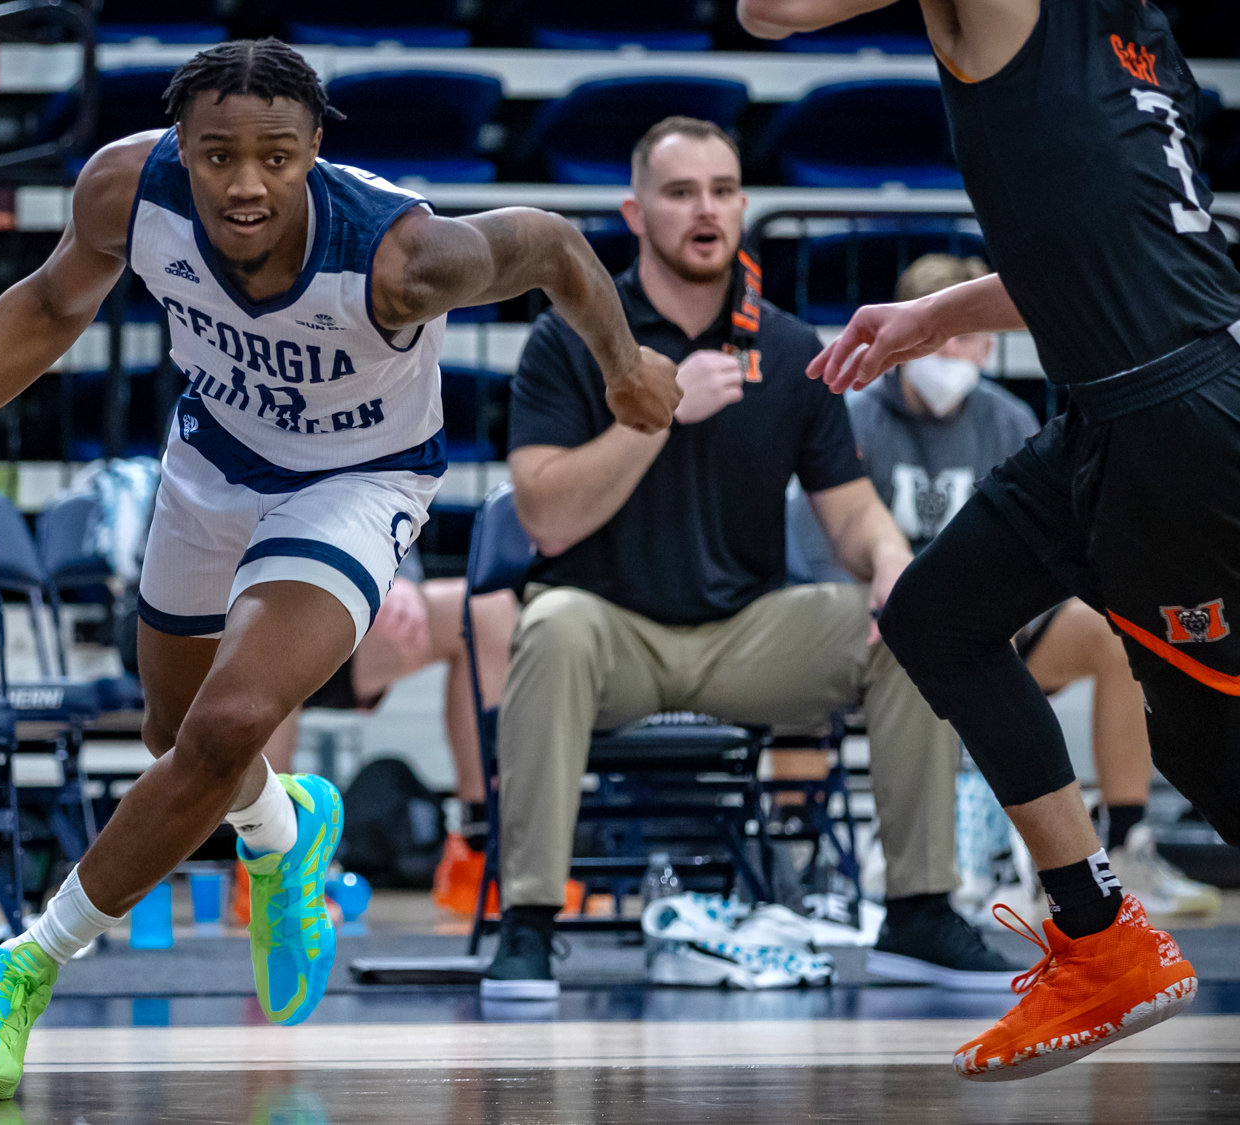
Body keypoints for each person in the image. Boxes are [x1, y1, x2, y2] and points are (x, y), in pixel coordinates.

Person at [0, 38, 679, 1100]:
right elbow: (51, 305)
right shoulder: (125, 184)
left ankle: (22, 968)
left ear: (312, 152)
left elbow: (554, 245)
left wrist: (622, 369)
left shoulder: (400, 255)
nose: (245, 183)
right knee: (173, 737)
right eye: (216, 156)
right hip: (211, 462)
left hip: (358, 479)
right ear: (180, 149)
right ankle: (284, 830)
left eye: (275, 157)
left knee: (223, 724)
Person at [743, 0, 1219, 1080]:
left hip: (1178, 414)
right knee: (934, 615)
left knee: (1211, 754)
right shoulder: (1136, 33)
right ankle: (1097, 939)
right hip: (1122, 405)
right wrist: (934, 316)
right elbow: (1107, 253)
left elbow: (765, 9)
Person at [484, 116, 1020, 1001]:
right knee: (550, 623)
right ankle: (530, 924)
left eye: (724, 190)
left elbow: (850, 514)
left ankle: (920, 909)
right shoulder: (573, 337)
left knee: (916, 618)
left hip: (747, 634)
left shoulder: (784, 346)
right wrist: (655, 410)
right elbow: (542, 517)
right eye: (681, 191)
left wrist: (891, 561)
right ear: (635, 210)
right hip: (609, 633)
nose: (707, 209)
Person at [820, 252, 1219, 916]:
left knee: (1112, 633)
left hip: (1008, 623)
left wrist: (1016, 611)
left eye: (976, 338)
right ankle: (833, 864)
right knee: (916, 626)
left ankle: (1125, 842)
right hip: (887, 621)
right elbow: (821, 543)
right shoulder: (861, 418)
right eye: (951, 336)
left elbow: (1056, 543)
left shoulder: (1006, 418)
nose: (963, 354)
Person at [255, 553, 520, 916]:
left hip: (336, 603)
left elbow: (388, 503)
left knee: (483, 611)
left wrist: (393, 580)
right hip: (232, 612)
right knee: (271, 626)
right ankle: (272, 863)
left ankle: (480, 855)